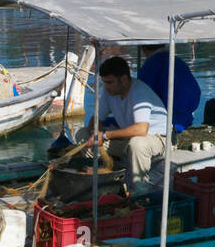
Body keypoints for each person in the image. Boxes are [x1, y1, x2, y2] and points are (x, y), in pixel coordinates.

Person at [78, 57, 168, 195]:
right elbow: (96, 119)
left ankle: (140, 193)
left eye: (110, 82)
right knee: (82, 135)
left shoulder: (139, 92)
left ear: (124, 79)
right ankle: (103, 178)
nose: (106, 87)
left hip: (159, 139)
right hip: (129, 139)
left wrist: (105, 135)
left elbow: (141, 129)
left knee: (137, 143)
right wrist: (93, 131)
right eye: (104, 82)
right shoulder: (110, 93)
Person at [138, 44, 201, 134]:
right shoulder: (179, 62)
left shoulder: (149, 66)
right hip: (185, 122)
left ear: (143, 49)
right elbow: (196, 92)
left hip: (164, 125)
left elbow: (139, 97)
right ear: (163, 44)